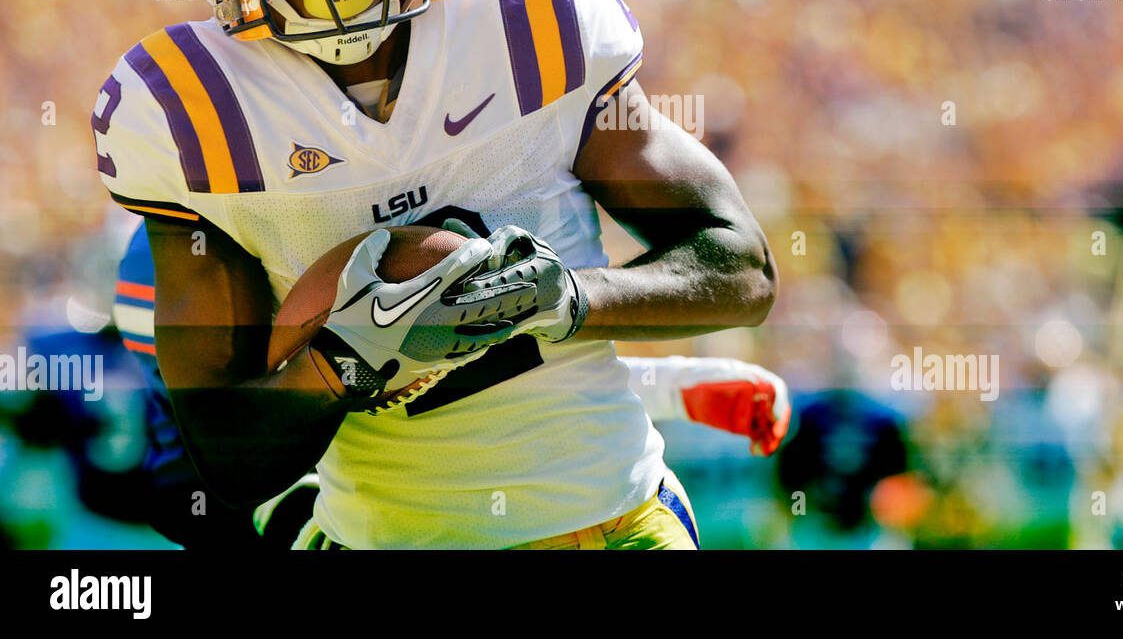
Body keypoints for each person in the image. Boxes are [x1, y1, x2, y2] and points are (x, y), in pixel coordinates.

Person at [91, 0, 777, 549]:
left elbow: (741, 267)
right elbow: (222, 463)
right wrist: (346, 356)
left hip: (614, 518)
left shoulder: (530, 13)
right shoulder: (189, 109)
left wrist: (568, 299)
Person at [111, 219, 791, 548]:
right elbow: (224, 487)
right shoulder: (204, 457)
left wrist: (673, 384)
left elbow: (467, 376)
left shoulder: (308, 224)